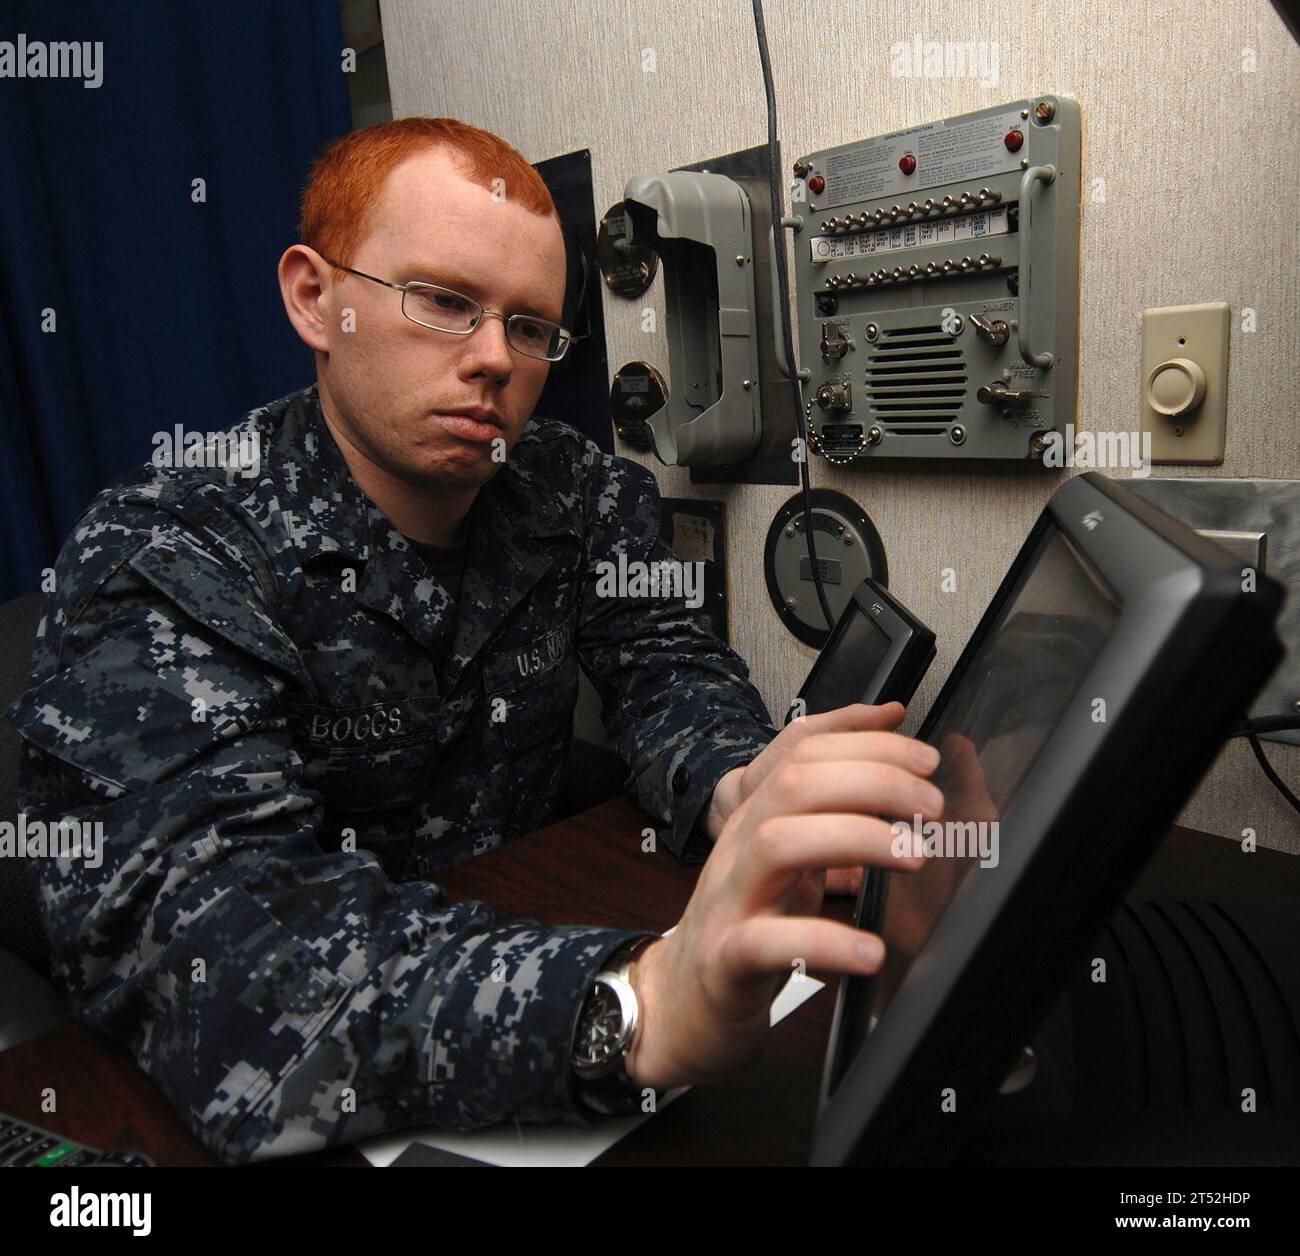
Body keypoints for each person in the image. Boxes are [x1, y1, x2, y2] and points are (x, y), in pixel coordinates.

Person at [5, 117, 943, 1163]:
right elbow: (215, 946)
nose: (496, 358)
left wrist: (735, 782)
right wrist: (631, 1004)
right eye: (445, 302)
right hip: (262, 1079)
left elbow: (665, 664)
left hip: (511, 942)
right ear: (316, 299)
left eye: (531, 326)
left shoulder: (574, 488)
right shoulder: (169, 545)